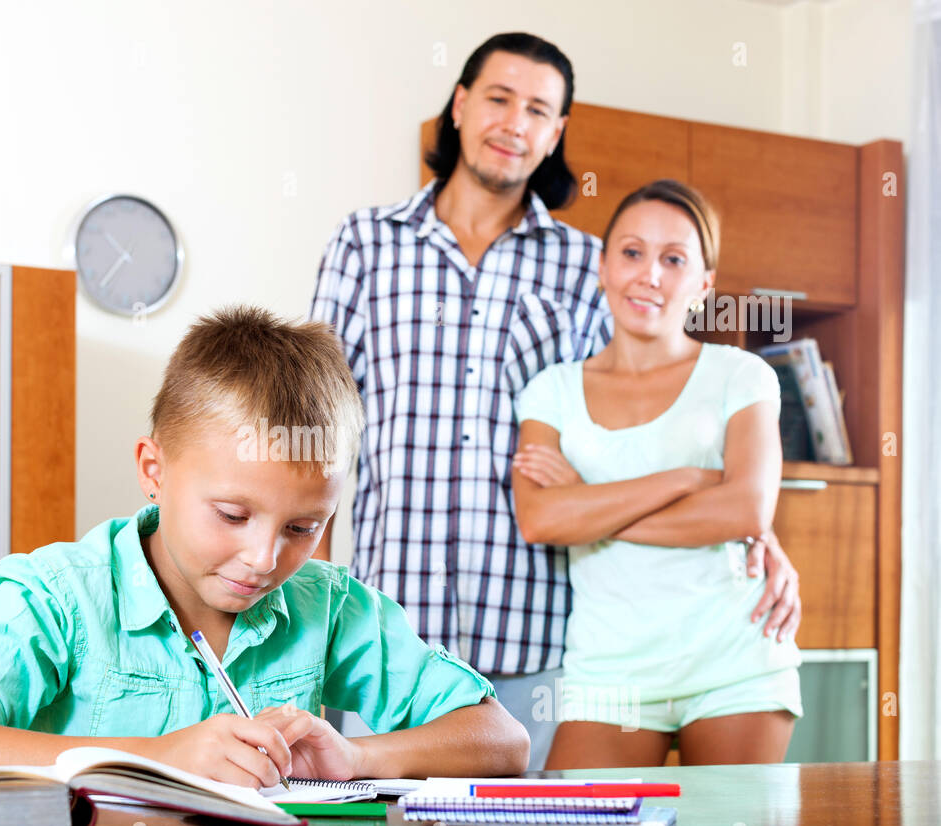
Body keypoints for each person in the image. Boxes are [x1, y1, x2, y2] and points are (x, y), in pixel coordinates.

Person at [309, 31, 801, 769]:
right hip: (390, 626)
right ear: (461, 104)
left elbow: (636, 408)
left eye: (539, 109)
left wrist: (754, 529)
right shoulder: (364, 243)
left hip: (534, 629)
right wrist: (301, 600)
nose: (515, 122)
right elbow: (319, 433)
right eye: (500, 98)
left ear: (557, 132)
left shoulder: (582, 264)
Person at [0, 305, 529, 783]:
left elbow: (503, 739)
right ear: (154, 471)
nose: (264, 558)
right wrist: (159, 756)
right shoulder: (61, 595)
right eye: (232, 513)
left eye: (304, 527)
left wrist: (359, 757)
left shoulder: (327, 605)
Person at [512, 179, 802, 767]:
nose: (650, 275)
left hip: (736, 661)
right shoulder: (553, 390)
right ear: (602, 266)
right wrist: (686, 481)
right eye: (632, 252)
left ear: (703, 284)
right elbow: (540, 519)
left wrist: (586, 506)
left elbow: (745, 509)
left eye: (674, 260)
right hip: (608, 671)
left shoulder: (741, 377)